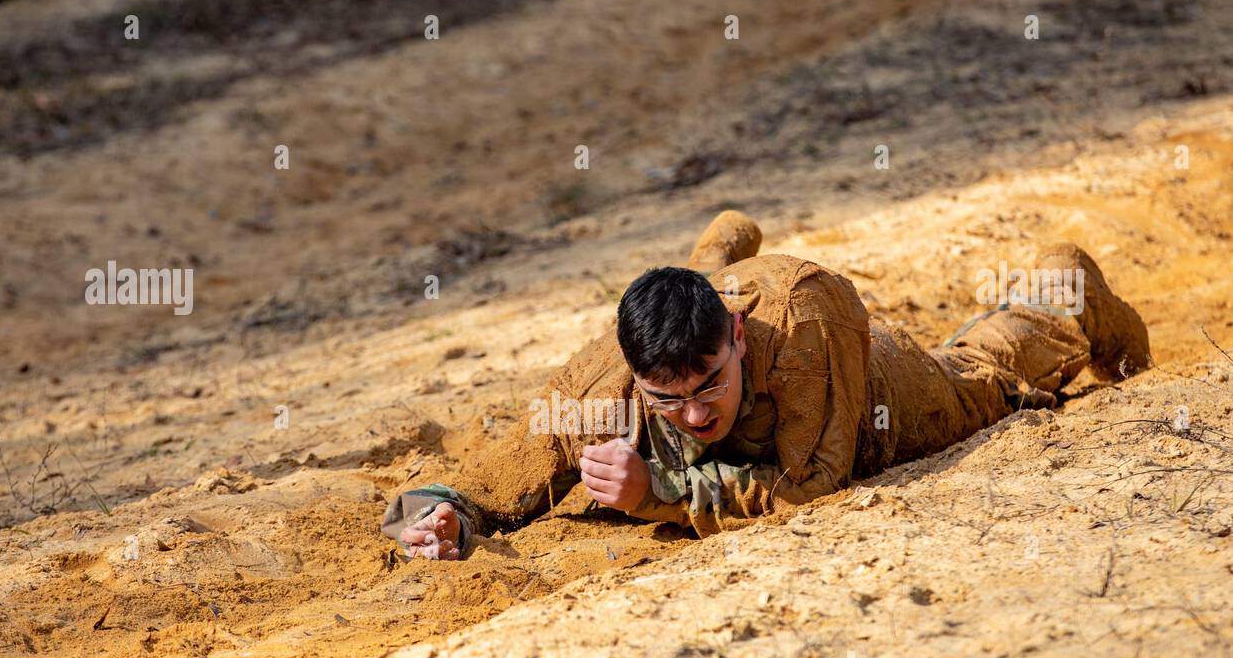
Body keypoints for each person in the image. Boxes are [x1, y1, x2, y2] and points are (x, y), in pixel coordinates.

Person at [382, 211, 1150, 559]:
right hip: (732, 321)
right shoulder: (598, 394)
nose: (692, 414)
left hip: (875, 390)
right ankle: (720, 253)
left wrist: (659, 491)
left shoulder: (803, 324)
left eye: (708, 387)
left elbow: (810, 489)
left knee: (983, 379)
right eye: (668, 401)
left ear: (738, 339)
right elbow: (474, 483)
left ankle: (1061, 290)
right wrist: (436, 520)